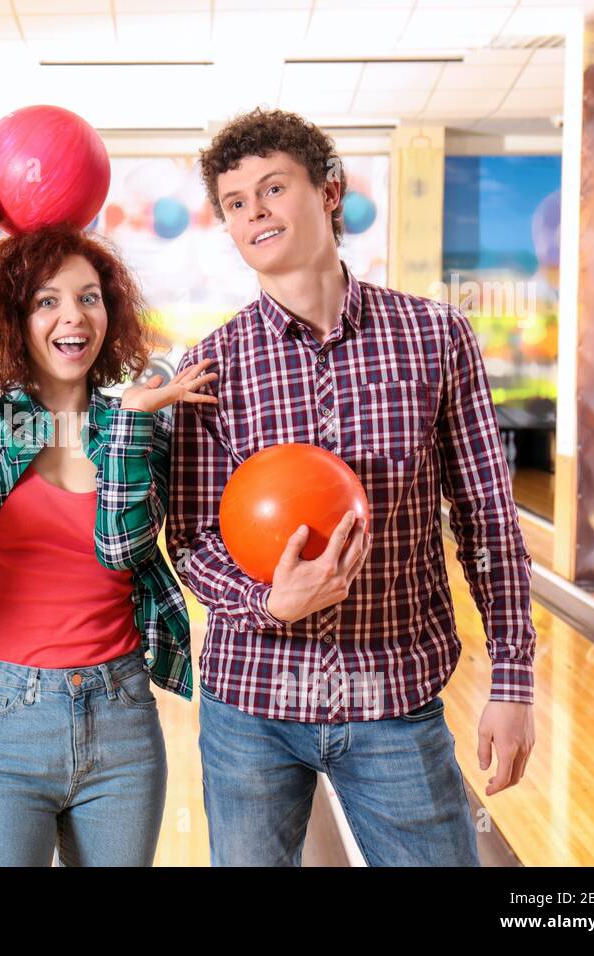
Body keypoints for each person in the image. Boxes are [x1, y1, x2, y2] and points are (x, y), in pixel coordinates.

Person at [168, 108, 537, 867]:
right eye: (236, 204)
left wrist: (514, 679)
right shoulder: (211, 367)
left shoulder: (437, 336)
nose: (255, 213)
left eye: (274, 189)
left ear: (330, 192)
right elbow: (194, 540)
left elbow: (488, 519)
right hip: (252, 706)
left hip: (393, 700)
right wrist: (268, 601)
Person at [0, 138, 215, 866]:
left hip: (120, 721)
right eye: (46, 300)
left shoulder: (134, 427)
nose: (71, 316)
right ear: (17, 319)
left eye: (87, 296)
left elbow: (123, 546)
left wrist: (135, 423)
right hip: (4, 718)